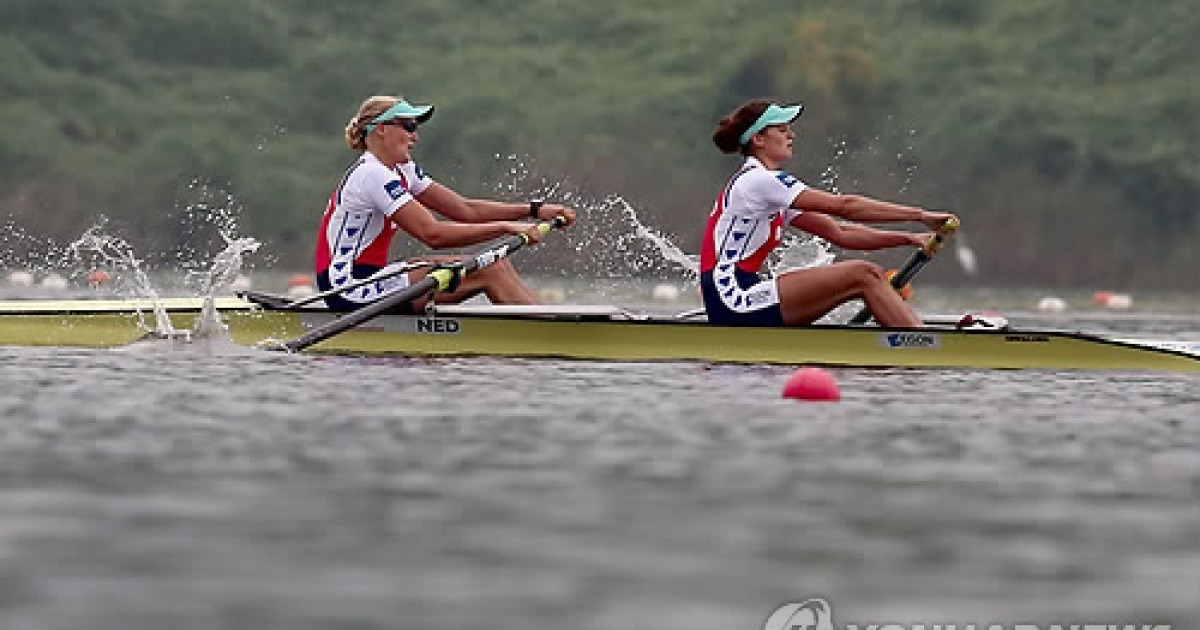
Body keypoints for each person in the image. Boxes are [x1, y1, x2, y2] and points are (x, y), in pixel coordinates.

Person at [701, 99, 957, 328]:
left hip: (741, 295)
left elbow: (839, 232)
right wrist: (920, 215)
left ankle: (911, 338)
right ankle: (922, 346)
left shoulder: (763, 188)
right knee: (864, 274)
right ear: (758, 139)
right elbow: (845, 207)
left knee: (867, 277)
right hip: (734, 299)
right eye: (782, 130)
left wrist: (910, 239)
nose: (792, 135)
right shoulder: (758, 181)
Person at [314, 95, 575, 312]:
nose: (415, 136)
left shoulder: (403, 170)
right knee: (491, 268)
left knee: (494, 265)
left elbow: (464, 209)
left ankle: (544, 327)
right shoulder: (371, 174)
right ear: (381, 129)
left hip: (374, 278)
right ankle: (551, 335)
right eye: (409, 126)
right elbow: (433, 234)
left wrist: (533, 210)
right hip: (348, 287)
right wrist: (507, 227)